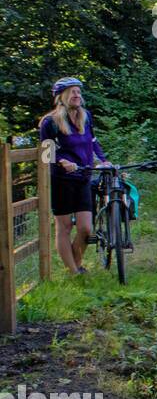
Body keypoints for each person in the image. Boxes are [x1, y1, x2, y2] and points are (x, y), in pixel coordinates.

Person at [38, 77, 110, 275]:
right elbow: (46, 153)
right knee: (65, 226)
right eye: (73, 92)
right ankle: (75, 272)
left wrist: (103, 160)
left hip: (84, 177)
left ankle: (76, 264)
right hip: (61, 179)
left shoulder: (86, 116)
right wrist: (61, 161)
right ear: (62, 97)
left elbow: (93, 142)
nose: (77, 95)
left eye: (79, 92)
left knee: (86, 228)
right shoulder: (49, 122)